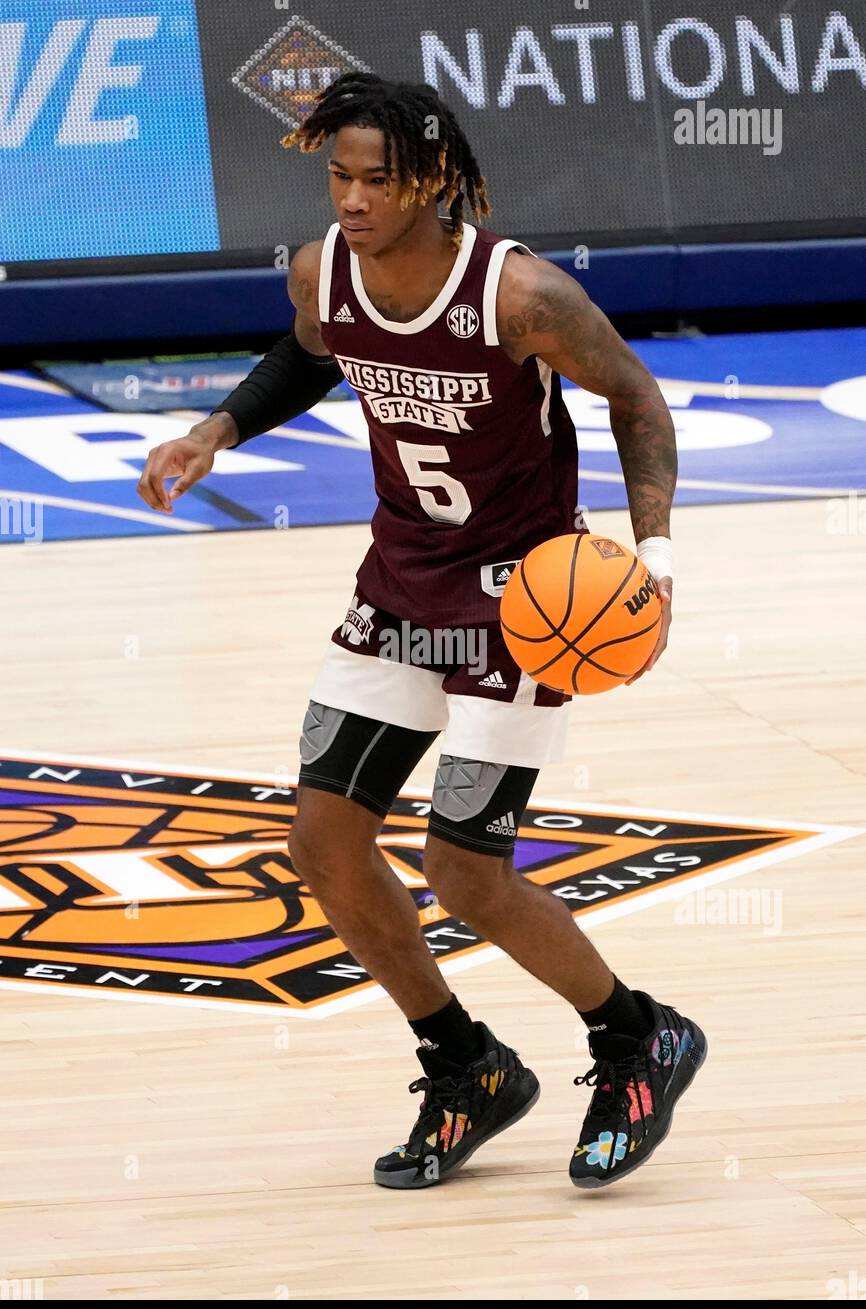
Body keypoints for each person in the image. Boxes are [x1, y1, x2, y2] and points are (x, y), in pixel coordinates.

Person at [137, 73, 706, 1190]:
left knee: (463, 869)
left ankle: (636, 1034)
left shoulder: (518, 295)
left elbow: (635, 398)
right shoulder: (323, 269)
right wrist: (214, 431)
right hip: (397, 584)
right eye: (338, 177)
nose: (349, 200)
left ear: (433, 180)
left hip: (521, 605)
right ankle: (466, 1065)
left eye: (375, 180)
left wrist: (656, 560)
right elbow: (313, 345)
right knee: (321, 843)